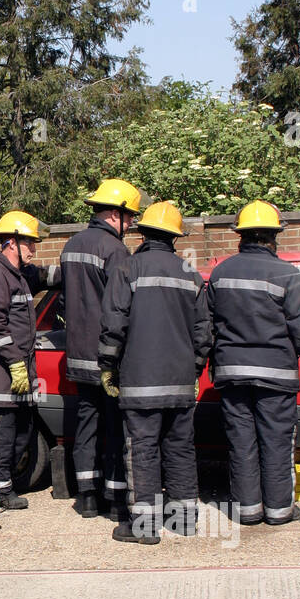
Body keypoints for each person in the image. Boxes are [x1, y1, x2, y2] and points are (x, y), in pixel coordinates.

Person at [98, 201, 212, 544]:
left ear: (143, 232)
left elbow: (113, 324)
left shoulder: (128, 270)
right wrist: (192, 367)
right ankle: (184, 519)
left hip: (140, 382)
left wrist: (108, 366)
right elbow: (203, 332)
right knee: (180, 448)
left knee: (142, 449)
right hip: (180, 384)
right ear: (175, 237)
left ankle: (145, 527)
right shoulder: (190, 274)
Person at [207, 200, 300, 527]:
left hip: (232, 375)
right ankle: (279, 511)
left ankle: (248, 511)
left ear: (240, 237)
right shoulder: (288, 273)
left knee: (241, 443)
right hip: (276, 376)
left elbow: (208, 324)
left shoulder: (221, 272)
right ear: (273, 238)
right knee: (275, 442)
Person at [59, 178, 142, 519]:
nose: (133, 224)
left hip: (77, 353)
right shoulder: (115, 250)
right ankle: (114, 498)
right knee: (113, 427)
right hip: (106, 356)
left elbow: (65, 301)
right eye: (130, 217)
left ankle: (87, 497)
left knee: (86, 424)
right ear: (113, 214)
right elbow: (121, 305)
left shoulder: (70, 246)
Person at [0, 211, 61, 510]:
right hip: (0, 377)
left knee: (22, 433)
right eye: (29, 243)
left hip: (19, 374)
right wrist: (14, 361)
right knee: (0, 435)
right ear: (11, 242)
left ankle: (3, 485)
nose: (34, 250)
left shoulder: (21, 276)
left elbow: (48, 276)